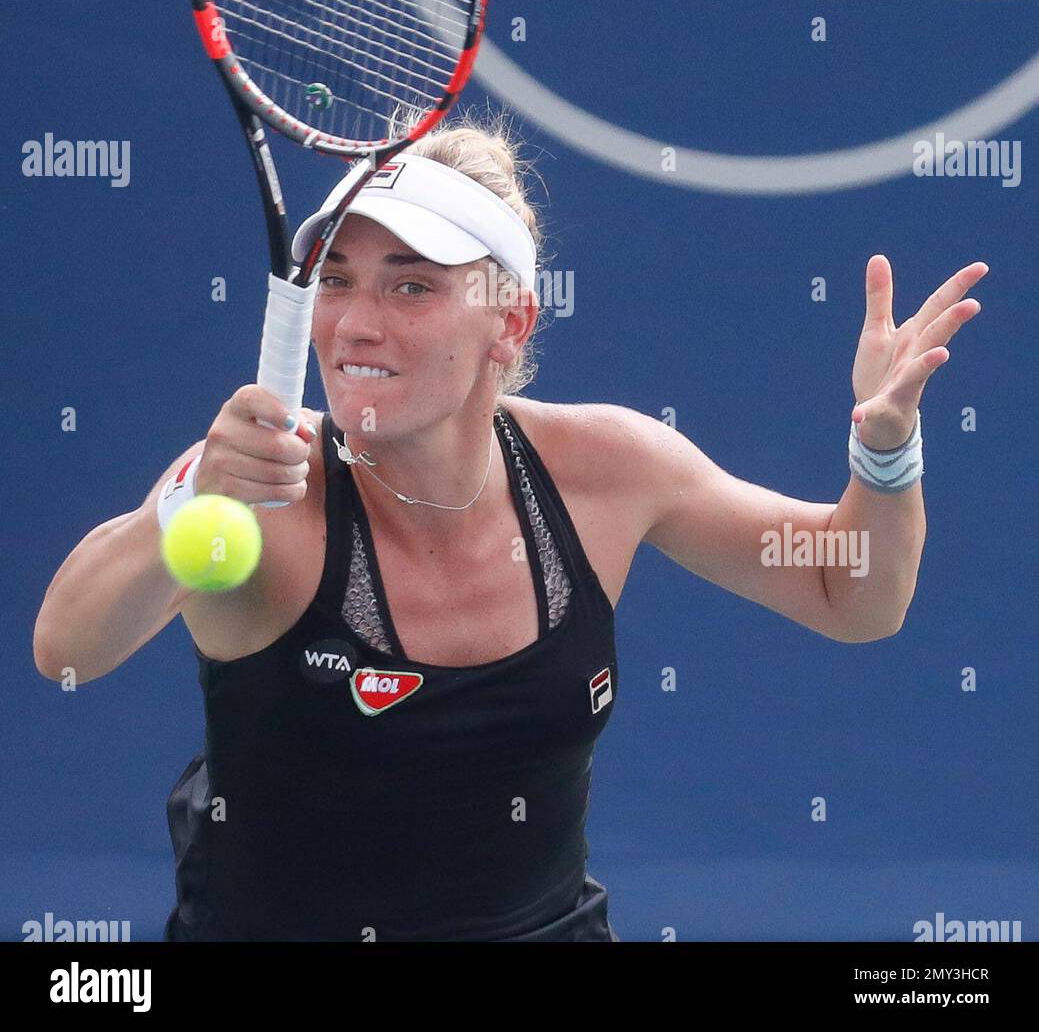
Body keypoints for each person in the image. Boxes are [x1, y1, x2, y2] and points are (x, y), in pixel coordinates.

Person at [33, 106, 987, 942]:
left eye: (410, 285)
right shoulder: (252, 486)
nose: (355, 322)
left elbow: (849, 595)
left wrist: (885, 448)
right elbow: (65, 649)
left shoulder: (607, 467)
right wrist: (181, 515)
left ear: (511, 323)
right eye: (337, 279)